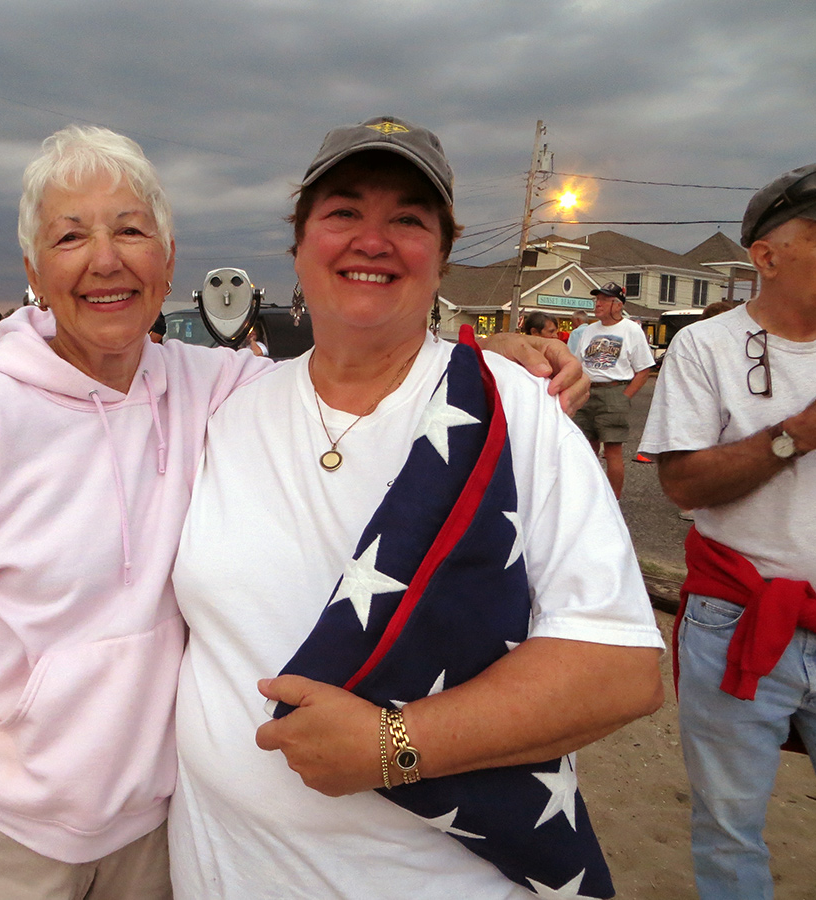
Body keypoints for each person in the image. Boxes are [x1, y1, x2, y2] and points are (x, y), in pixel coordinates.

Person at [0, 123, 590, 900]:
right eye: (71, 237)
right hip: (13, 837)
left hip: (162, 832)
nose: (106, 259)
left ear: (168, 261)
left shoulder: (211, 386)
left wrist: (487, 352)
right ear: (34, 267)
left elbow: (347, 361)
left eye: (131, 230)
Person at [168, 115, 665, 899]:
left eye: (407, 218)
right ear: (298, 246)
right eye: (342, 213)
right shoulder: (227, 407)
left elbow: (620, 668)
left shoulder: (511, 412)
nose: (373, 239)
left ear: (441, 253)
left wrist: (392, 744)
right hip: (219, 868)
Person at [638, 162, 816, 899]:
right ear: (766, 256)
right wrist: (801, 433)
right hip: (739, 622)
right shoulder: (706, 347)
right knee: (729, 826)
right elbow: (682, 483)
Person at [571, 282, 655, 498]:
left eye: (603, 300)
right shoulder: (589, 330)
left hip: (614, 391)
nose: (598, 304)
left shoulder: (631, 330)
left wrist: (624, 398)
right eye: (596, 299)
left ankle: (613, 499)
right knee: (585, 448)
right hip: (587, 392)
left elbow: (644, 370)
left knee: (612, 451)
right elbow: (579, 364)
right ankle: (587, 496)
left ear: (617, 305)